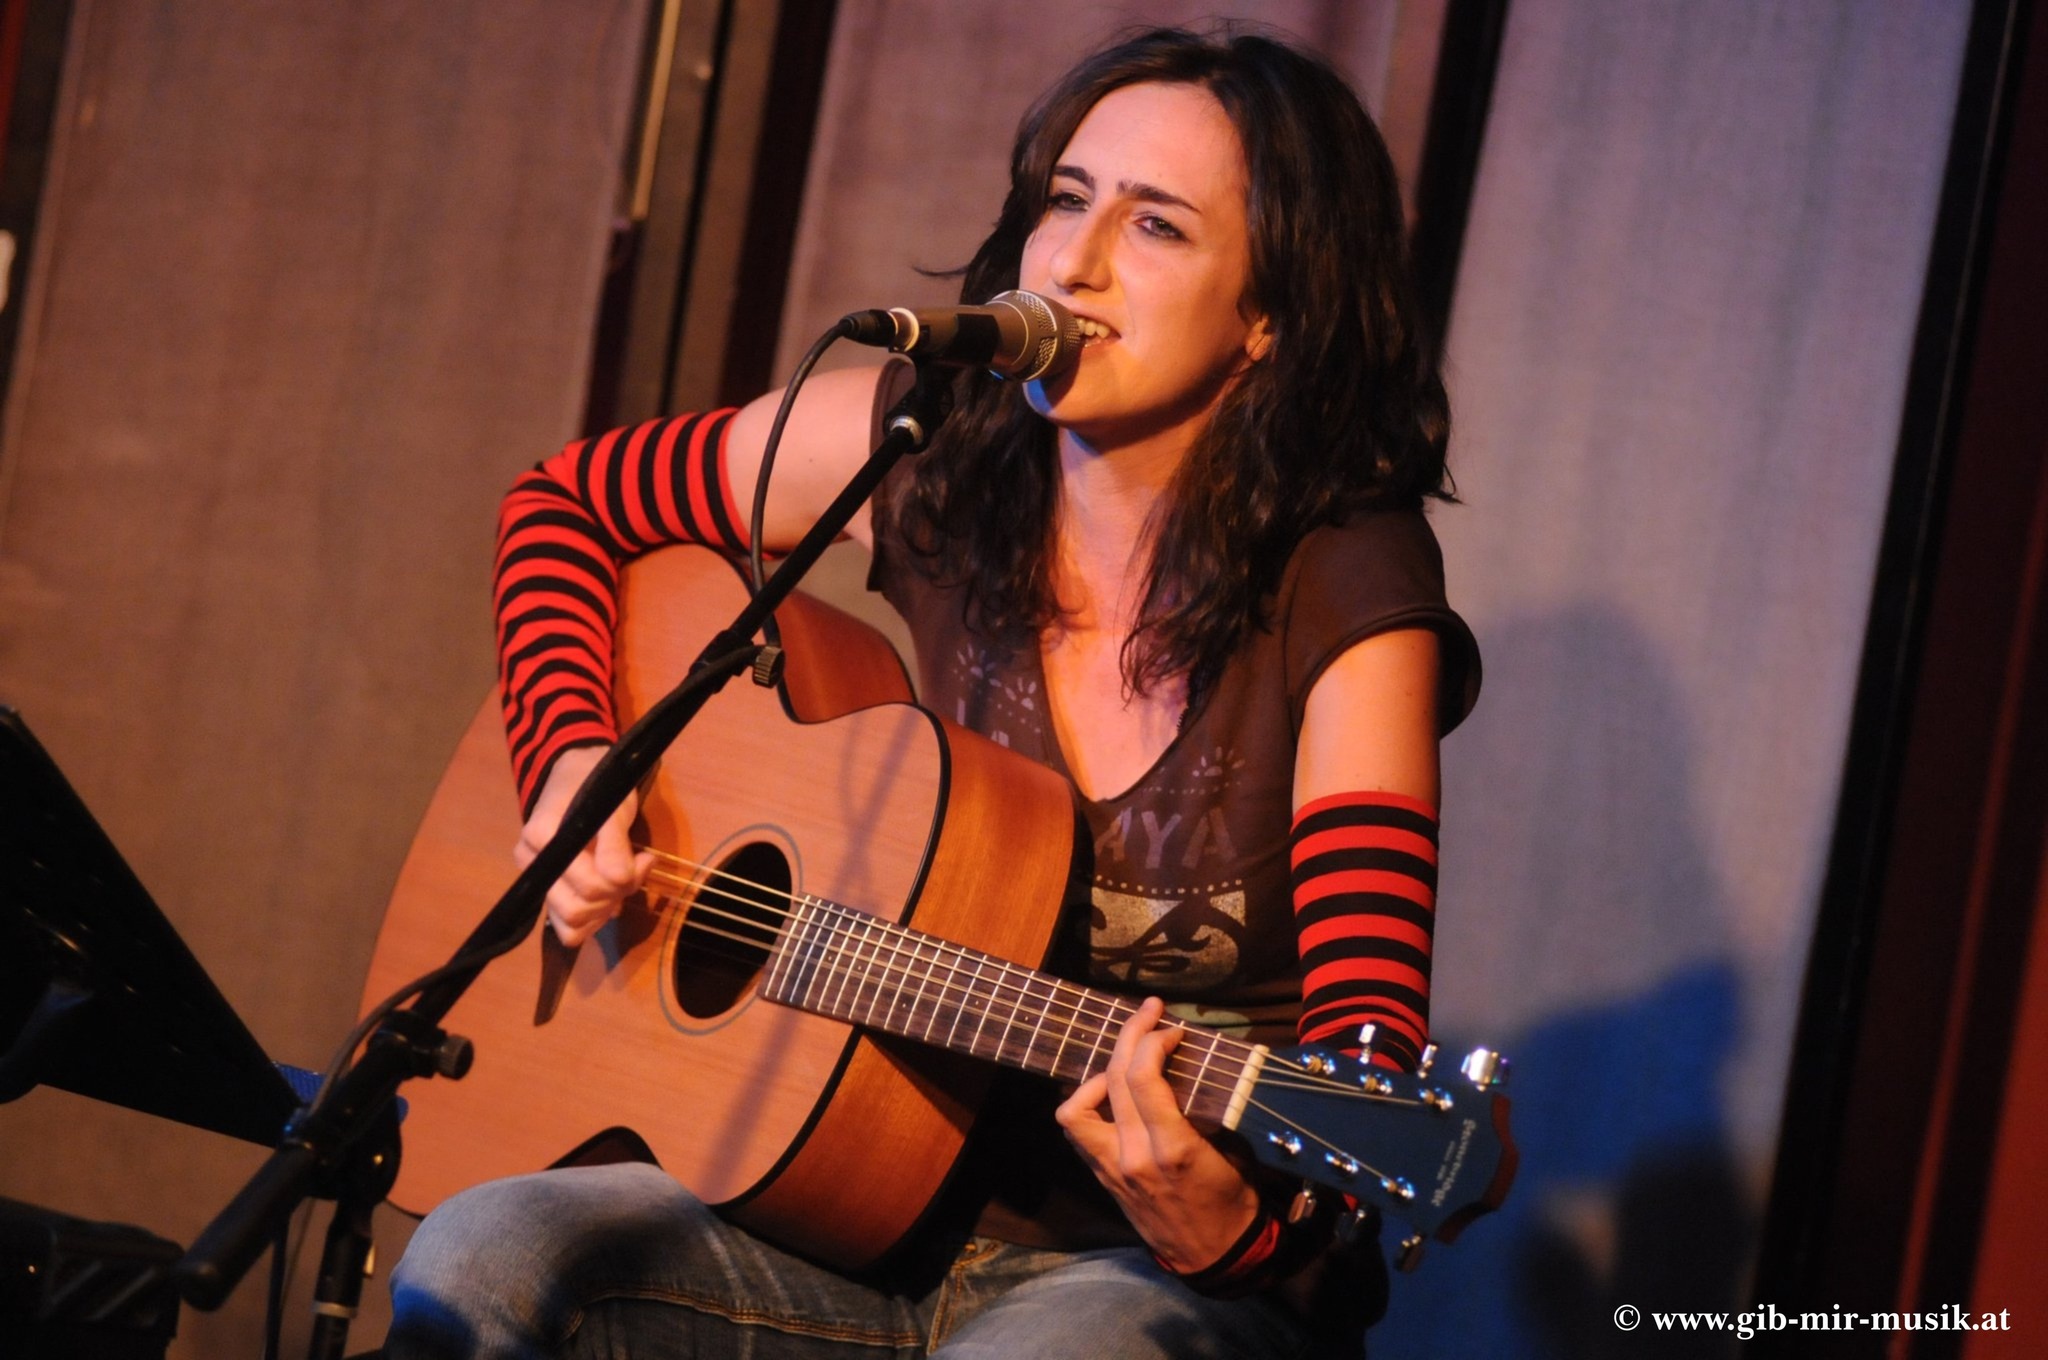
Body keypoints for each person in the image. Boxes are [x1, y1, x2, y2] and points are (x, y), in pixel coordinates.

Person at [385, 23, 1479, 1360]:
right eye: (1064, 201)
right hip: (838, 1202)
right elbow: (566, 505)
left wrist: (1244, 1236)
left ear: (1269, 318)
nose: (1071, 262)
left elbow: (1366, 1050)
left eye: (1157, 229)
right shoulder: (937, 450)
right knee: (483, 1259)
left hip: (1136, 1271)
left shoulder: (1351, 582)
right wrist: (573, 761)